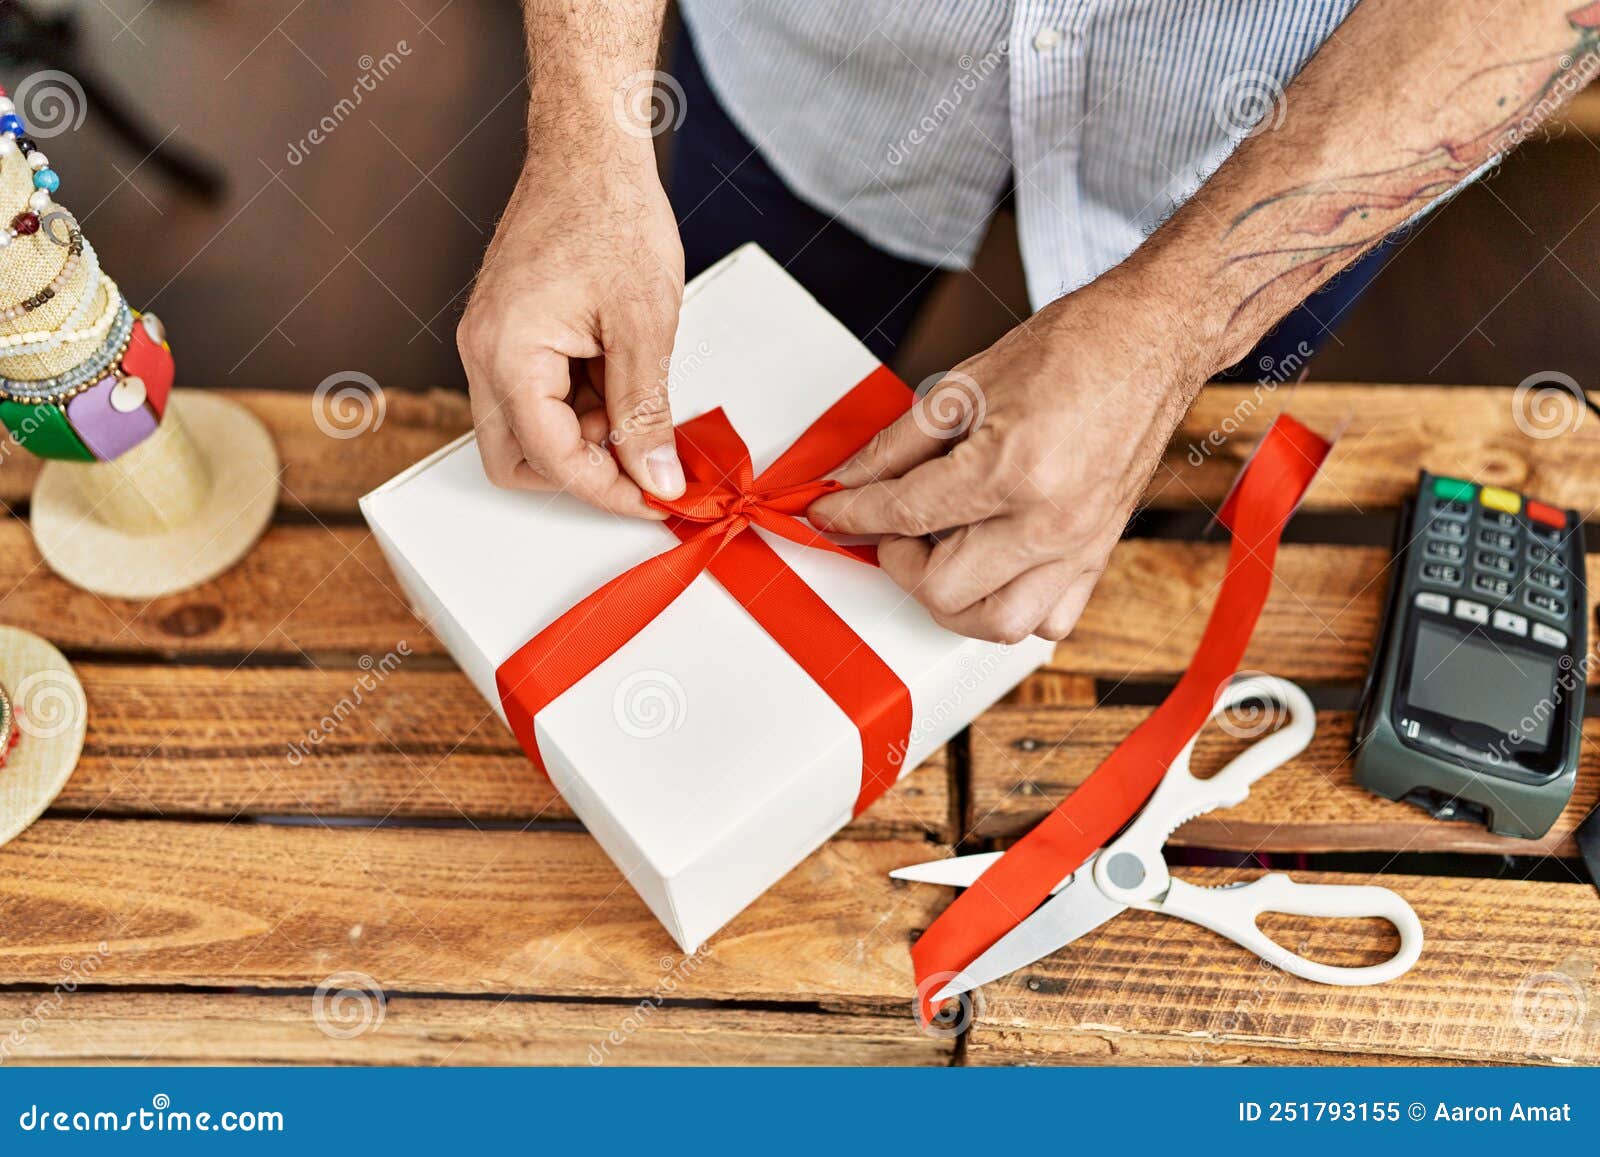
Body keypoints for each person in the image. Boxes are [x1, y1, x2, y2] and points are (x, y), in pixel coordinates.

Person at [458, 0, 1599, 643]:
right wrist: (588, 131)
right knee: (675, 393)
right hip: (813, 73)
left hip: (1280, 149)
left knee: (1112, 539)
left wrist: (1172, 330)